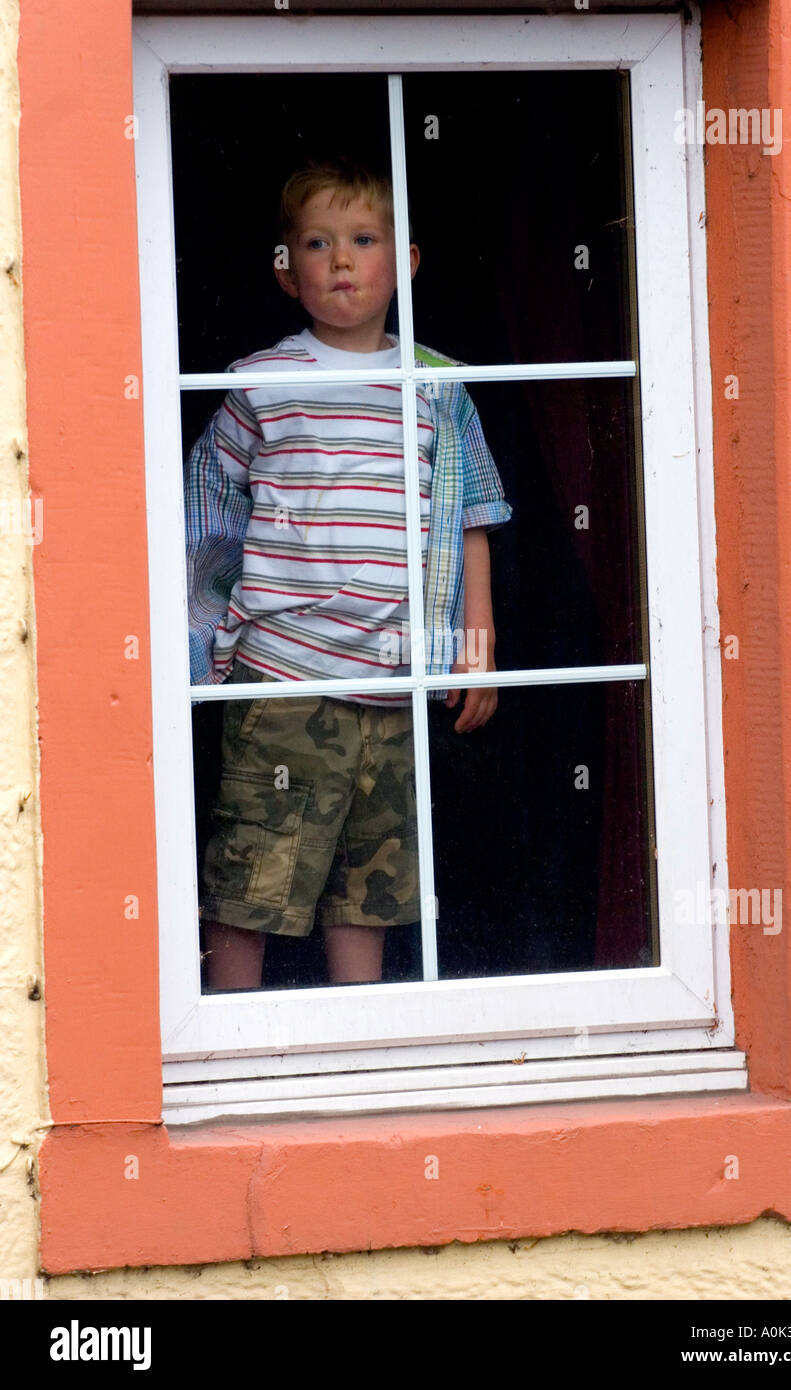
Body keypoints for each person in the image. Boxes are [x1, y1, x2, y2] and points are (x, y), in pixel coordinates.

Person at [184, 155, 512, 988]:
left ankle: (356, 1041)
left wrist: (474, 645)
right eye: (318, 243)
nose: (340, 261)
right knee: (253, 874)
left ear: (403, 263)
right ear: (286, 273)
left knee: (373, 884)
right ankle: (233, 1038)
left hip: (394, 677)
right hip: (284, 674)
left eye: (363, 240)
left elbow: (471, 519)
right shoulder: (261, 384)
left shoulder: (437, 386)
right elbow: (206, 518)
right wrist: (202, 645)